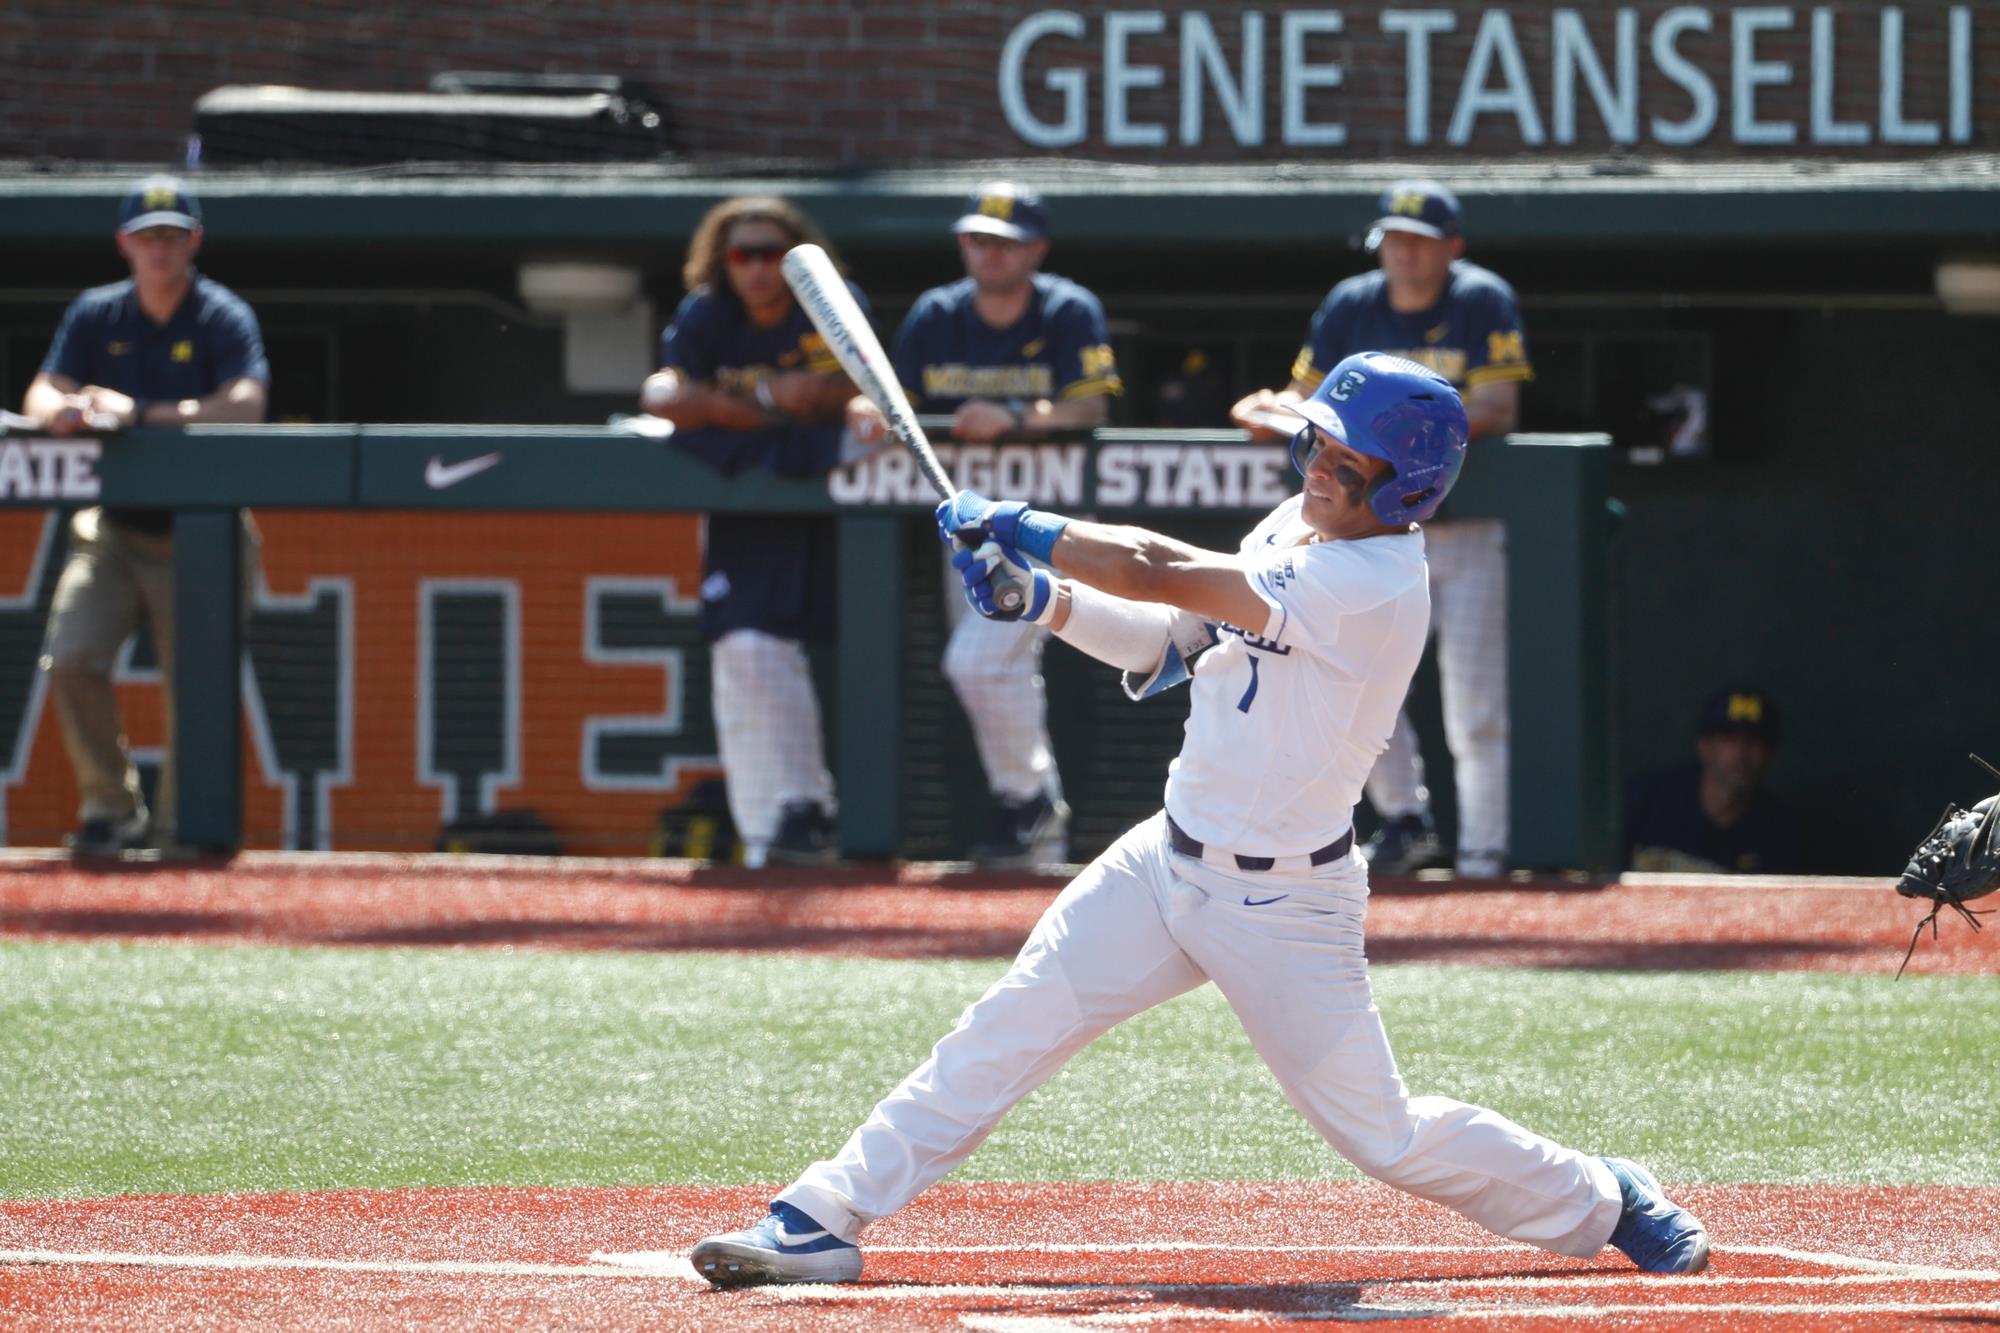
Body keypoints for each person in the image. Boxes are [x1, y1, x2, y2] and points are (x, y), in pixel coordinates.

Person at [676, 353, 1708, 1288]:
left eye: (1348, 460)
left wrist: (1023, 524)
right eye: (1320, 443)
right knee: (1000, 1028)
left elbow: (1156, 569)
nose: (1319, 465)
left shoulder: (1370, 583)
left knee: (1383, 1135)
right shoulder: (1293, 528)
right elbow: (1165, 640)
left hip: (1283, 899)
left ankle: (1604, 1197)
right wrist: (1041, 600)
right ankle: (820, 1216)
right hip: (1164, 861)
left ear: (1406, 483)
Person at [1232, 180, 1531, 879]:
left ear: (1451, 247)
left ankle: (1485, 853)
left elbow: (1498, 406)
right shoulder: (1352, 303)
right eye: (1394, 237)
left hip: (1464, 529)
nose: (1404, 252)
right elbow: (1308, 399)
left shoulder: (1480, 298)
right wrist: (1275, 408)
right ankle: (1406, 820)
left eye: (1420, 240)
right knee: (1353, 682)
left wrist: (1396, 430)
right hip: (1373, 538)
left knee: (1474, 703)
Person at [851, 181, 1122, 868]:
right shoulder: (936, 313)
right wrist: (869, 410)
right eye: (977, 239)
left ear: (1035, 248)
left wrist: (1021, 418)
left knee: (975, 660)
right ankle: (1035, 818)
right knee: (996, 671)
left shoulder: (1066, 308)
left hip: (1047, 516)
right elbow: (897, 405)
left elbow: (1089, 409)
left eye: (1004, 243)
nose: (988, 253)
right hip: (965, 515)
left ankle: (1026, 799)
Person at [24, 175, 269, 857]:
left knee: (197, 686)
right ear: (124, 245)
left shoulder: (221, 314)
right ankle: (110, 808)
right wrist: (65, 413)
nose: (159, 251)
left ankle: (182, 832)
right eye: (146, 238)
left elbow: (246, 406)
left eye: (171, 237)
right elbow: (42, 389)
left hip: (203, 536)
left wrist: (143, 416)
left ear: (193, 242)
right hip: (111, 529)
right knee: (70, 657)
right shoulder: (97, 313)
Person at [640, 195, 864, 868]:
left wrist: (743, 404)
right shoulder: (708, 311)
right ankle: (777, 830)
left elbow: (848, 395)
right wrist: (765, 400)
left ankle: (805, 809)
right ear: (723, 260)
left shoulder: (829, 299)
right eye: (744, 255)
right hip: (744, 493)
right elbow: (665, 397)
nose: (759, 269)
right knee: (742, 646)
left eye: (772, 253)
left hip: (840, 492)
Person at [1626, 686, 1805, 874]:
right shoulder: (1647, 802)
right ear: (1704, 746)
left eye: (1753, 741)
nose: (1740, 753)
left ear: (1770, 754)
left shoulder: (1780, 834)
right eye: (1729, 739)